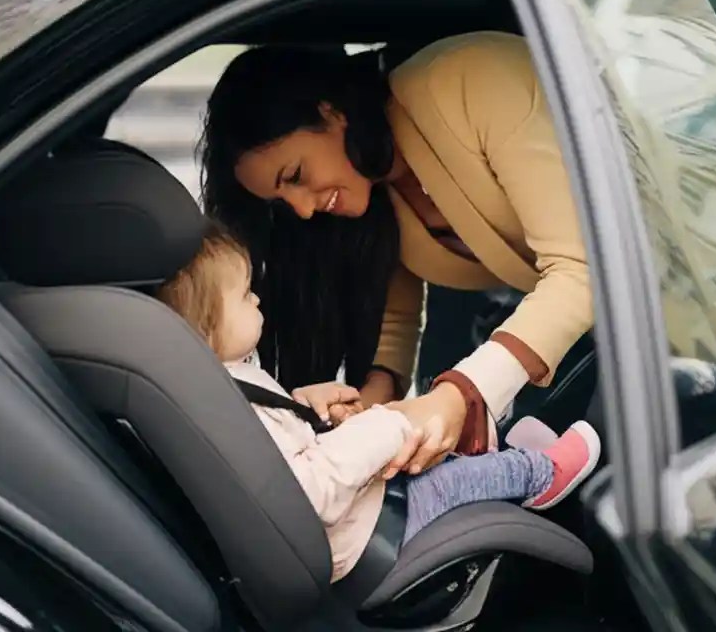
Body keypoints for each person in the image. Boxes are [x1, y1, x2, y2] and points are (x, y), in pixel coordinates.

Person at [201, 32, 594, 478]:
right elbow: (396, 319)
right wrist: (367, 407)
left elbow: (582, 269)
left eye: (294, 175)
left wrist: (461, 393)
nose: (304, 209)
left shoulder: (465, 83)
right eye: (282, 202)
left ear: (329, 113)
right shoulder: (374, 199)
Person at [158, 223, 602, 581]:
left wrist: (304, 402)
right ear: (206, 331)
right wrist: (384, 426)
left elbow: (275, 437)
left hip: (357, 512)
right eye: (244, 294)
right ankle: (540, 474)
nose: (257, 297)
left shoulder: (219, 380)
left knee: (439, 456)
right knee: (457, 476)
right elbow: (310, 492)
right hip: (358, 533)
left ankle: (516, 456)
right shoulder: (223, 393)